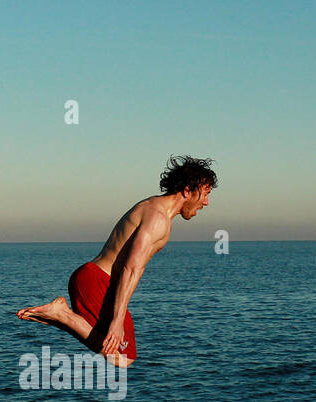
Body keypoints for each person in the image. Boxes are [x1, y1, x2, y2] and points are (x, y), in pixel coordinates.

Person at [16, 155, 216, 367]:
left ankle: (58, 316)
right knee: (123, 357)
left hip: (94, 278)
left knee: (116, 350)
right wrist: (117, 320)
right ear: (187, 191)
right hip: (97, 281)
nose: (206, 202)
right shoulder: (158, 220)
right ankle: (61, 314)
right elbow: (131, 268)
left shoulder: (151, 205)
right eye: (205, 194)